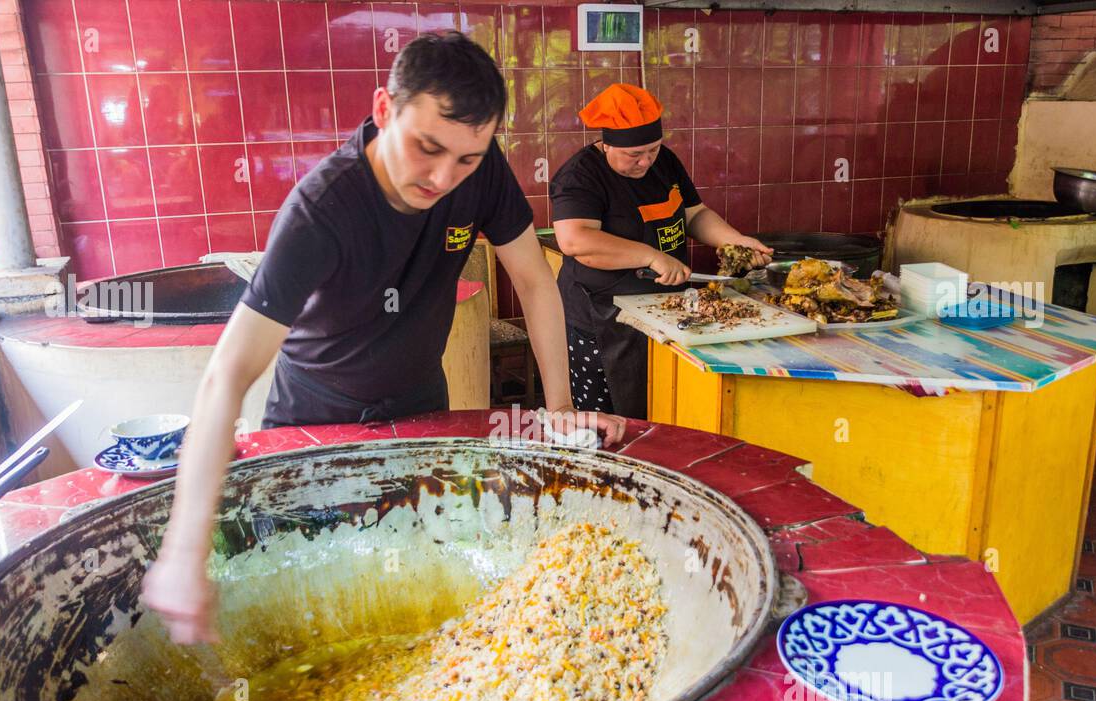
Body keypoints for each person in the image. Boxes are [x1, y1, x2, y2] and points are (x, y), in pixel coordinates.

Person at [142, 32, 624, 645]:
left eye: (466, 160)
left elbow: (533, 279)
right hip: (316, 418)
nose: (443, 177)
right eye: (427, 148)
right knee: (313, 610)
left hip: (422, 404)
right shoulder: (322, 209)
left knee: (424, 599)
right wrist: (184, 551)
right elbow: (227, 375)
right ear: (384, 110)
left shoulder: (479, 168)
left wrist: (557, 409)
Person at [550, 83, 772, 418]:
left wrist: (734, 240)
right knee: (605, 423)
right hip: (601, 318)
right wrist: (651, 256)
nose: (645, 161)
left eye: (652, 150)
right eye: (634, 155)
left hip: (664, 313)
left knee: (662, 412)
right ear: (607, 144)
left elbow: (694, 214)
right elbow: (575, 241)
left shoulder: (664, 162)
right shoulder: (581, 175)